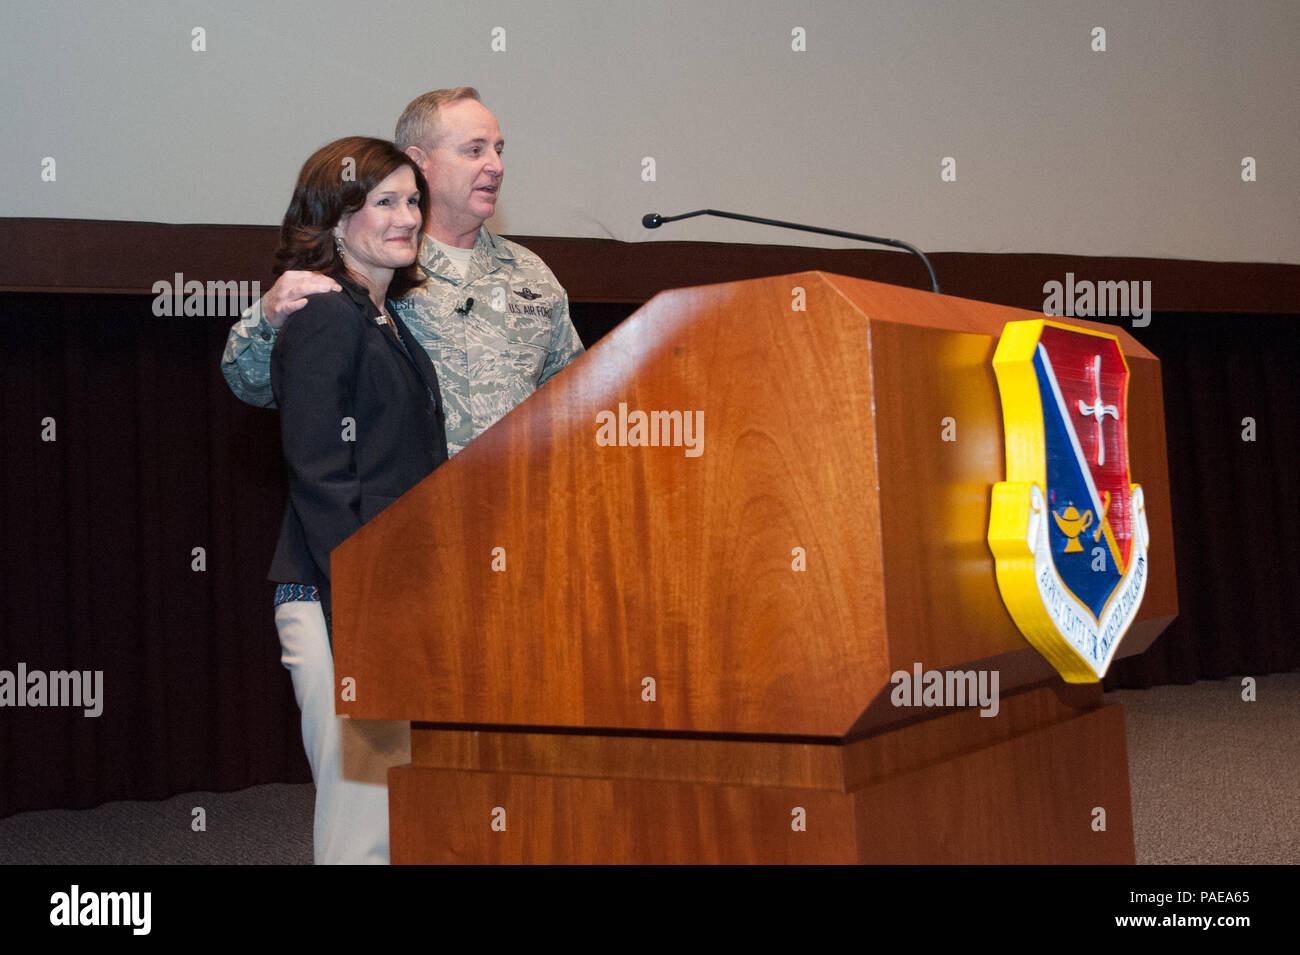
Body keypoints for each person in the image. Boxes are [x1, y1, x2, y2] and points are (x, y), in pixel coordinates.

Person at [221, 87, 585, 457]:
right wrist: (267, 317)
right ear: (418, 161)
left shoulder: (530, 275)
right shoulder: (372, 264)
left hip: (513, 504)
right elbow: (254, 385)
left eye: (498, 150)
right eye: (475, 150)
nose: (496, 165)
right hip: (401, 505)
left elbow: (575, 402)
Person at [265, 135, 449, 864]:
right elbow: (320, 475)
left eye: (413, 200)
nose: (407, 216)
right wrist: (366, 603)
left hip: (385, 598)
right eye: (385, 202)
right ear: (338, 216)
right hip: (338, 595)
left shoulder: (382, 316)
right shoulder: (323, 314)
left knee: (396, 812)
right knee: (363, 826)